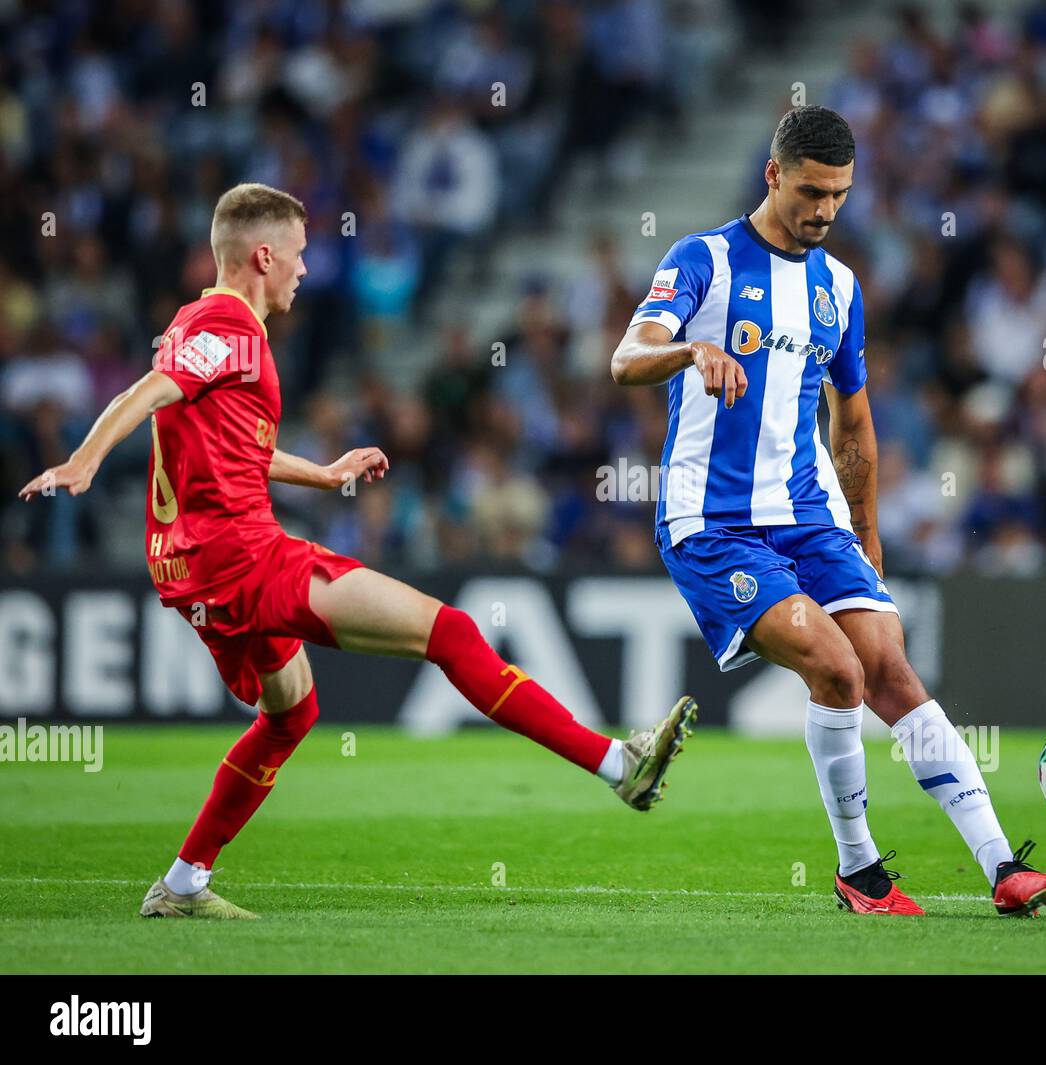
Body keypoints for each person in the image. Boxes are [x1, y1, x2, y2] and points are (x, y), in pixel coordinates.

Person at [19, 183, 696, 920]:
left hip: (188, 570)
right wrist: (84, 460)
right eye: (301, 255)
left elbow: (233, 446)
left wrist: (326, 471)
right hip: (243, 559)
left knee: (292, 713)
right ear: (264, 255)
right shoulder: (232, 328)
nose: (307, 270)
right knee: (452, 631)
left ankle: (181, 884)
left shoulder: (195, 322)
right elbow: (147, 393)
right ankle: (616, 765)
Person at [610, 107, 1046, 917]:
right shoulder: (705, 259)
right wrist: (689, 350)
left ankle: (1003, 866)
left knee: (889, 668)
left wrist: (868, 533)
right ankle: (861, 871)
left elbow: (853, 421)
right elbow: (625, 358)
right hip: (710, 523)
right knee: (839, 670)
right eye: (812, 192)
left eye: (840, 196)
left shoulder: (840, 287)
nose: (824, 211)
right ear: (773, 174)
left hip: (811, 512)